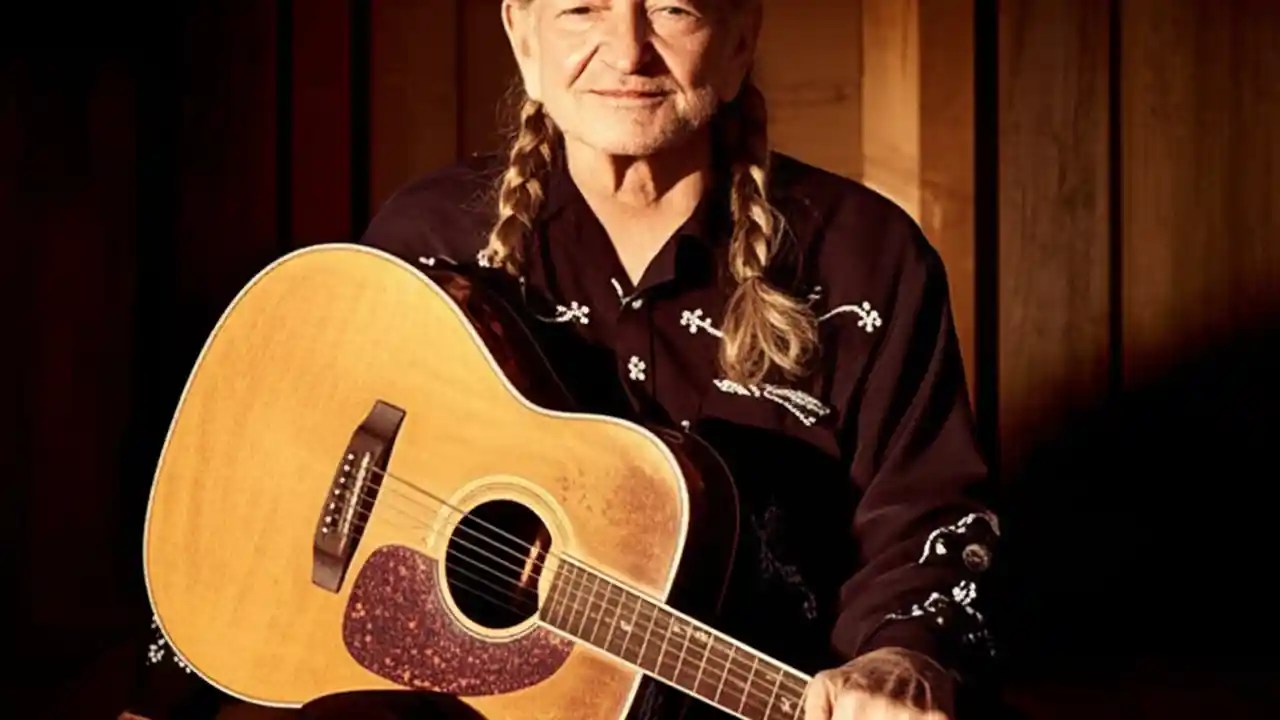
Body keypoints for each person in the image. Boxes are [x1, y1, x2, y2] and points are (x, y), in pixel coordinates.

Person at [127, 1, 1002, 719]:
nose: (626, 50)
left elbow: (926, 514)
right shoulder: (431, 240)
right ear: (522, 37)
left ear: (740, 40)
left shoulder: (865, 258)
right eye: (582, 8)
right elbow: (279, 460)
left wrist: (902, 659)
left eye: (672, 9)